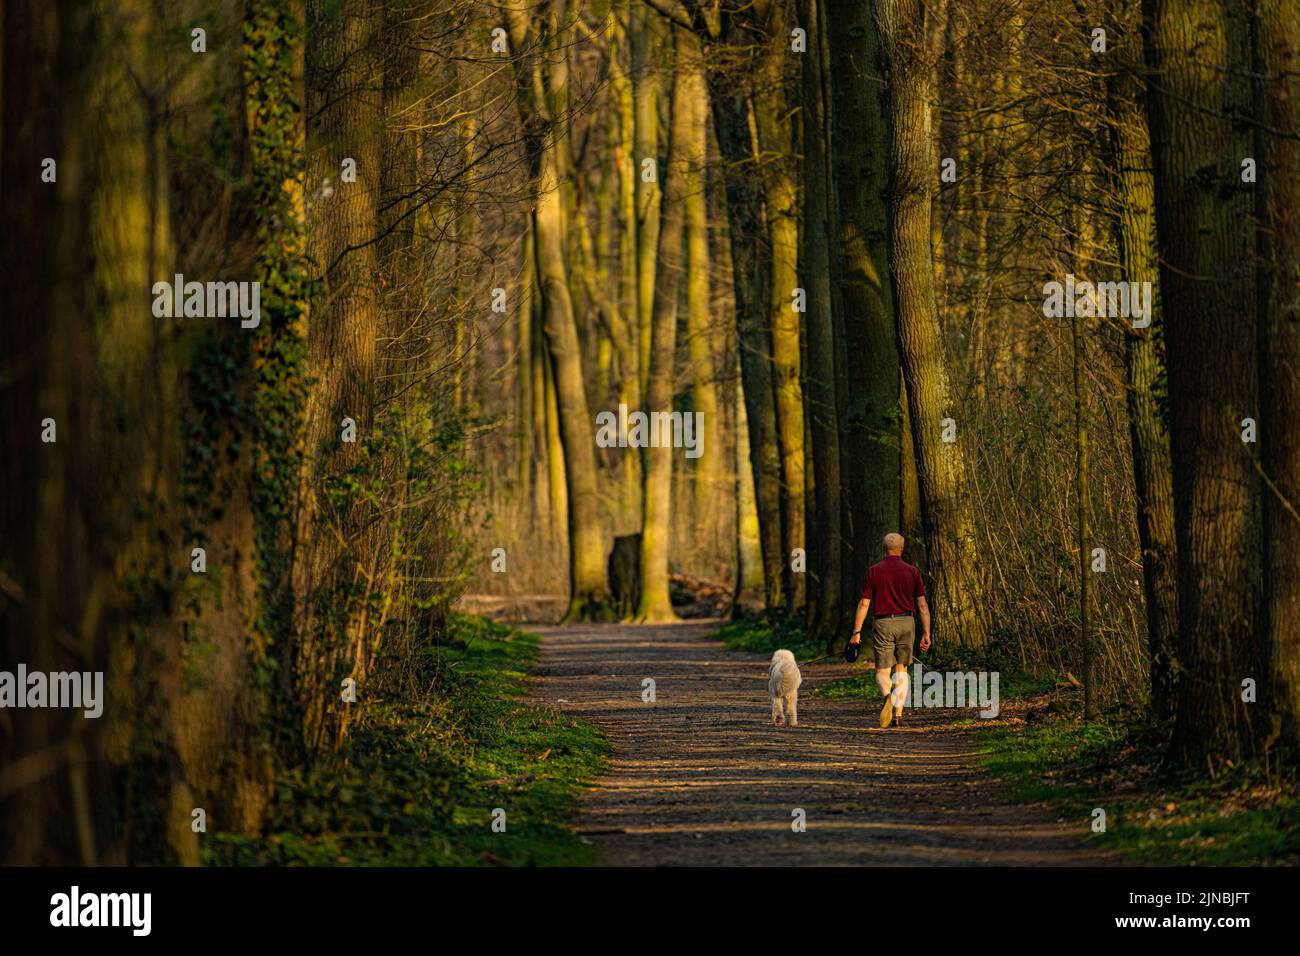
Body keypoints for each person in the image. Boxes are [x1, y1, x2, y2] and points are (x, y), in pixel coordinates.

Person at [849, 532, 931, 728]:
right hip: (907, 622)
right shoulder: (913, 572)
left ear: (884, 549)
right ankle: (898, 716)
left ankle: (888, 696)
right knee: (902, 670)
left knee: (882, 671)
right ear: (902, 549)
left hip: (883, 623)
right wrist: (926, 632)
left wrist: (856, 632)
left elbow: (863, 604)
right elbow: (922, 605)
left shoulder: (874, 571)